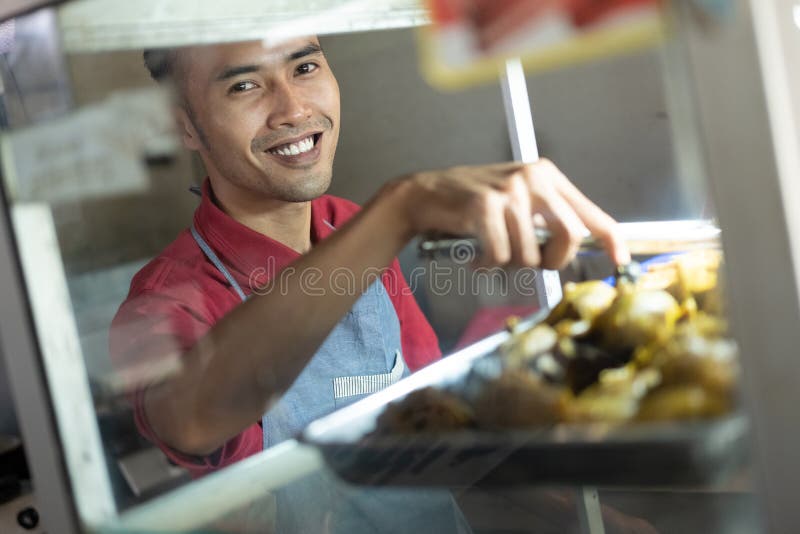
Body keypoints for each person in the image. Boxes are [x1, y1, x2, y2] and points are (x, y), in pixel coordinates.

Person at [109, 35, 635, 532]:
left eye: (305, 67)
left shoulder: (354, 227)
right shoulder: (163, 302)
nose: (293, 110)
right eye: (244, 85)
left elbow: (433, 427)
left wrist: (575, 511)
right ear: (185, 127)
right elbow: (192, 418)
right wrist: (400, 209)